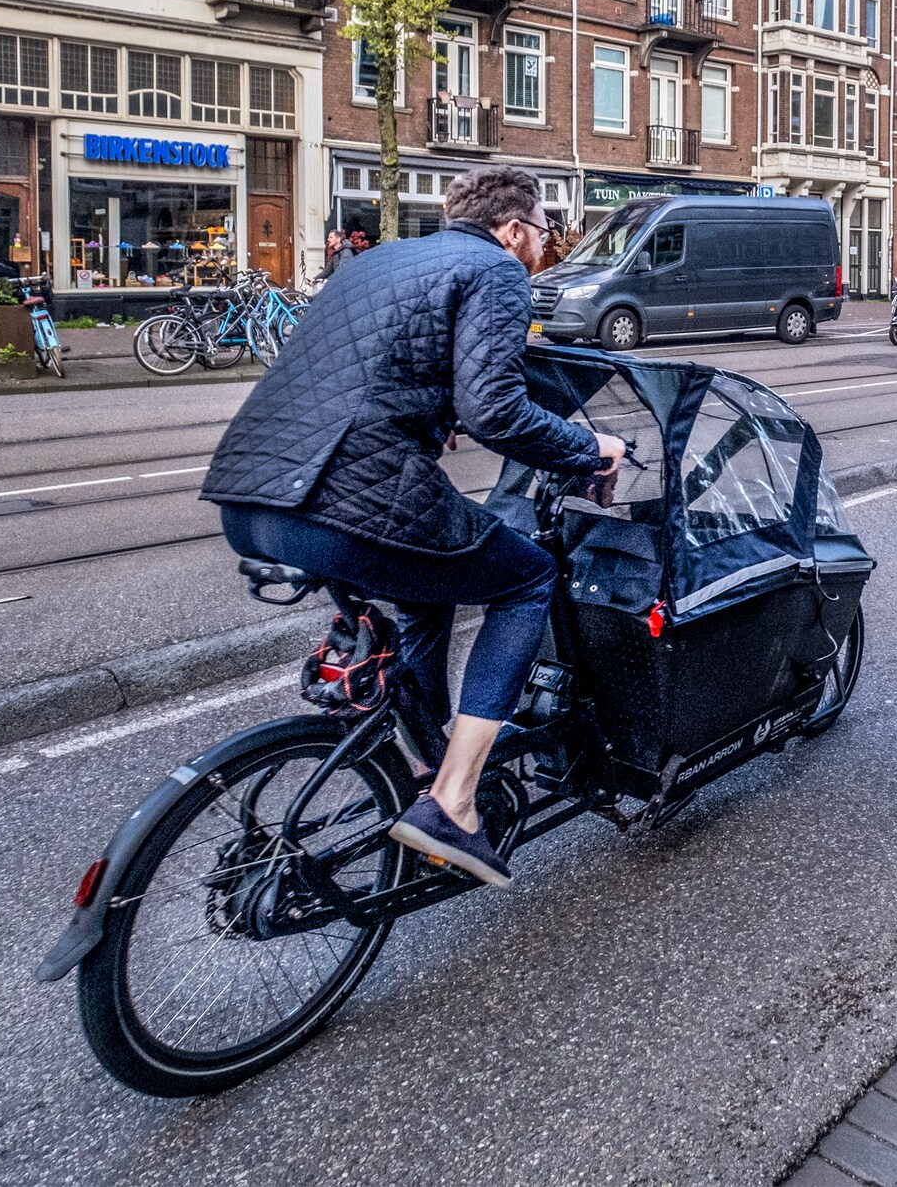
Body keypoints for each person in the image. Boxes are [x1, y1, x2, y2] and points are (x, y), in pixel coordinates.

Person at [201, 168, 621, 888]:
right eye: (541, 235)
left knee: (427, 588)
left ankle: (422, 766)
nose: (538, 250)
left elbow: (368, 373)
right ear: (514, 228)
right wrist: (591, 448)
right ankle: (454, 801)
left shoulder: (375, 260)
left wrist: (434, 416)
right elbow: (496, 409)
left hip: (251, 495)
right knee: (526, 578)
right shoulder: (496, 268)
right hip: (338, 502)